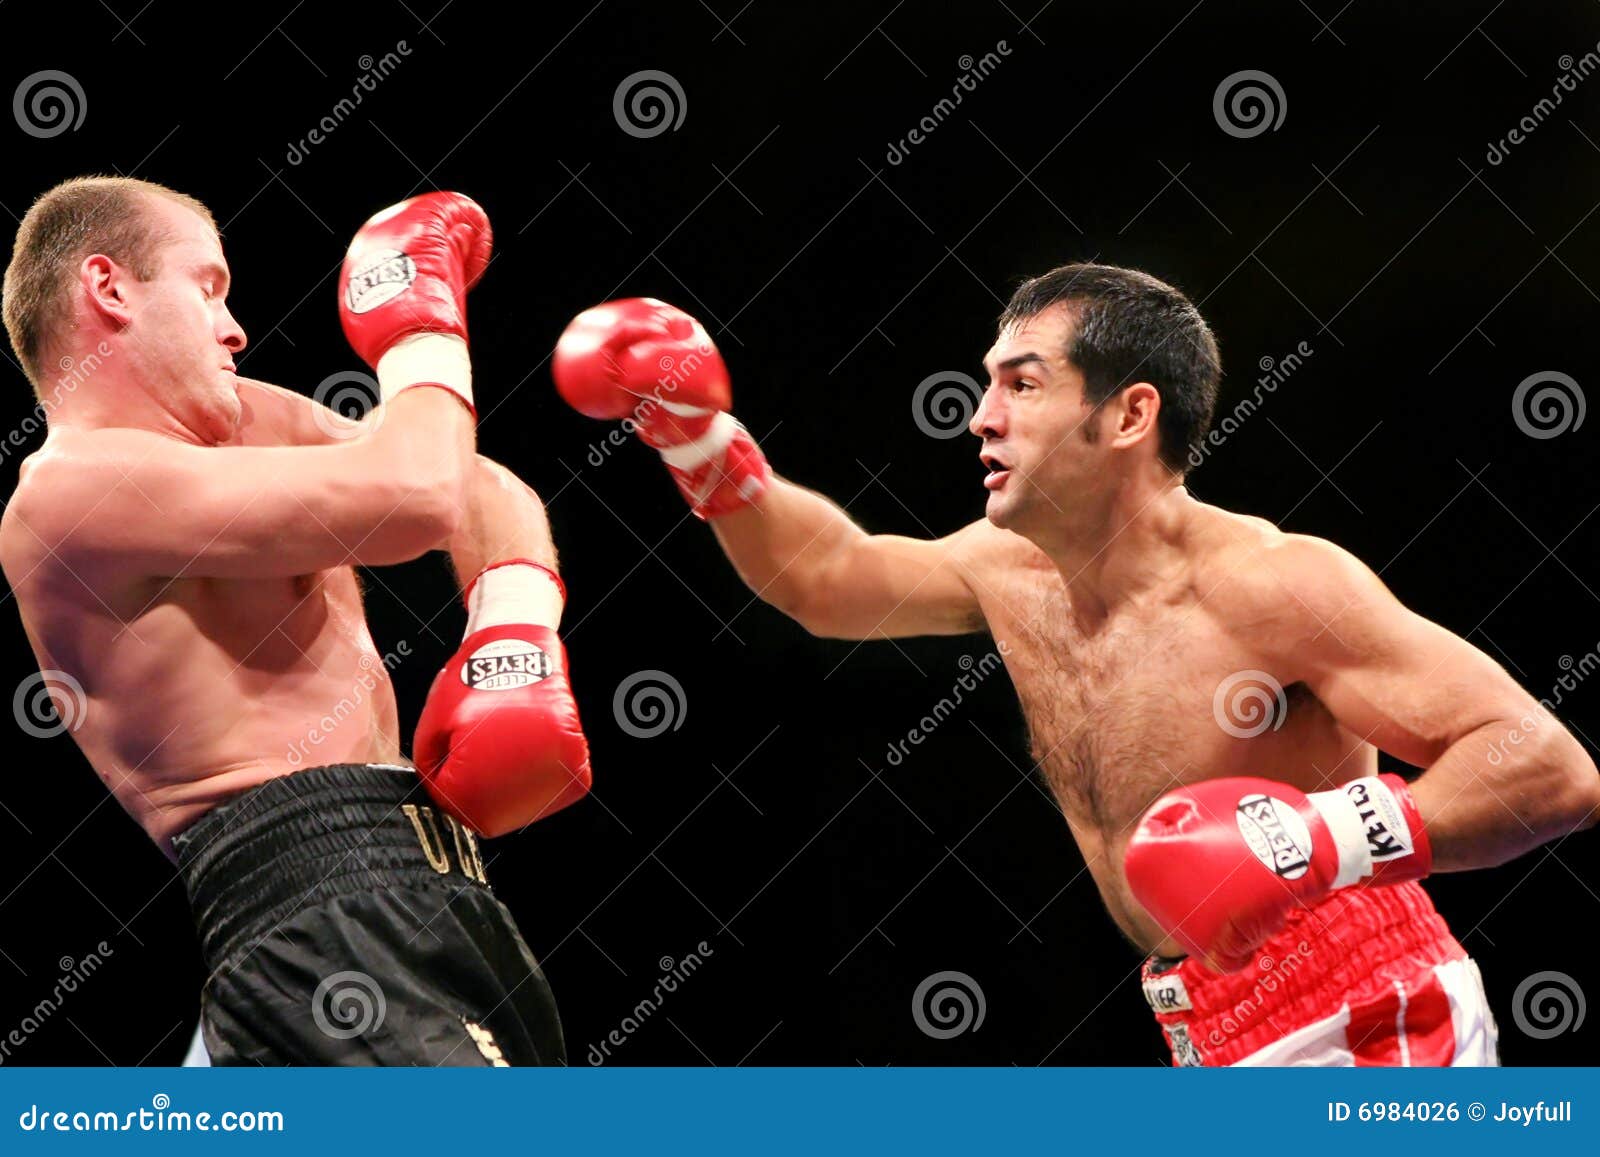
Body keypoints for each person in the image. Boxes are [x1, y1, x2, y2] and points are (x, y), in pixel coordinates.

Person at [550, 274, 1600, 1066]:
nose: (980, 415)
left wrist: (1313, 837)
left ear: (1129, 413)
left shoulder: (1273, 586)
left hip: (1370, 1006)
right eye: (984, 383)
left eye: (1022, 382)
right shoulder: (1013, 571)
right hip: (1207, 1023)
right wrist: (696, 438)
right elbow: (826, 577)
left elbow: (1548, 766)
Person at [1, 177, 590, 1065]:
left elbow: (476, 485)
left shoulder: (252, 424)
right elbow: (421, 492)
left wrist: (512, 633)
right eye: (208, 287)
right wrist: (421, 322)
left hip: (429, 894)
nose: (235, 327)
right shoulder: (67, 493)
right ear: (109, 289)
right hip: (317, 909)